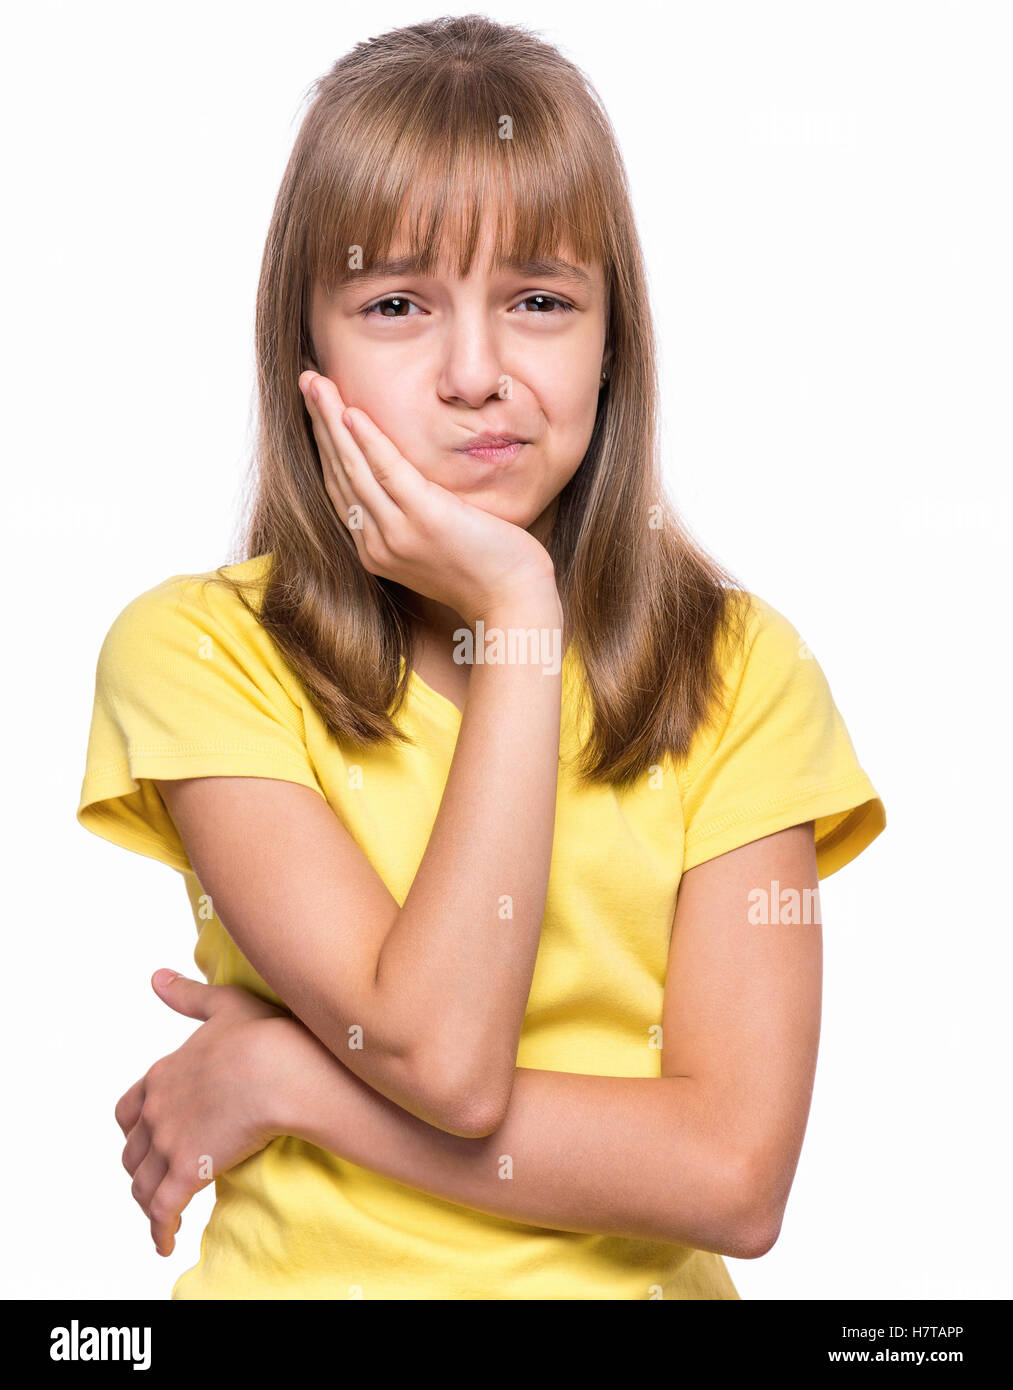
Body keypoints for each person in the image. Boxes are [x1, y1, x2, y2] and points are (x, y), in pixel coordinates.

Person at [77, 14, 886, 1300]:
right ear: (309, 346)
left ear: (613, 338)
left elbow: (733, 1179)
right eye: (396, 302)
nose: (474, 373)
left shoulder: (739, 669)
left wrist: (296, 1081)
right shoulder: (202, 650)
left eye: (539, 301)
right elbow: (439, 1054)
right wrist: (519, 612)